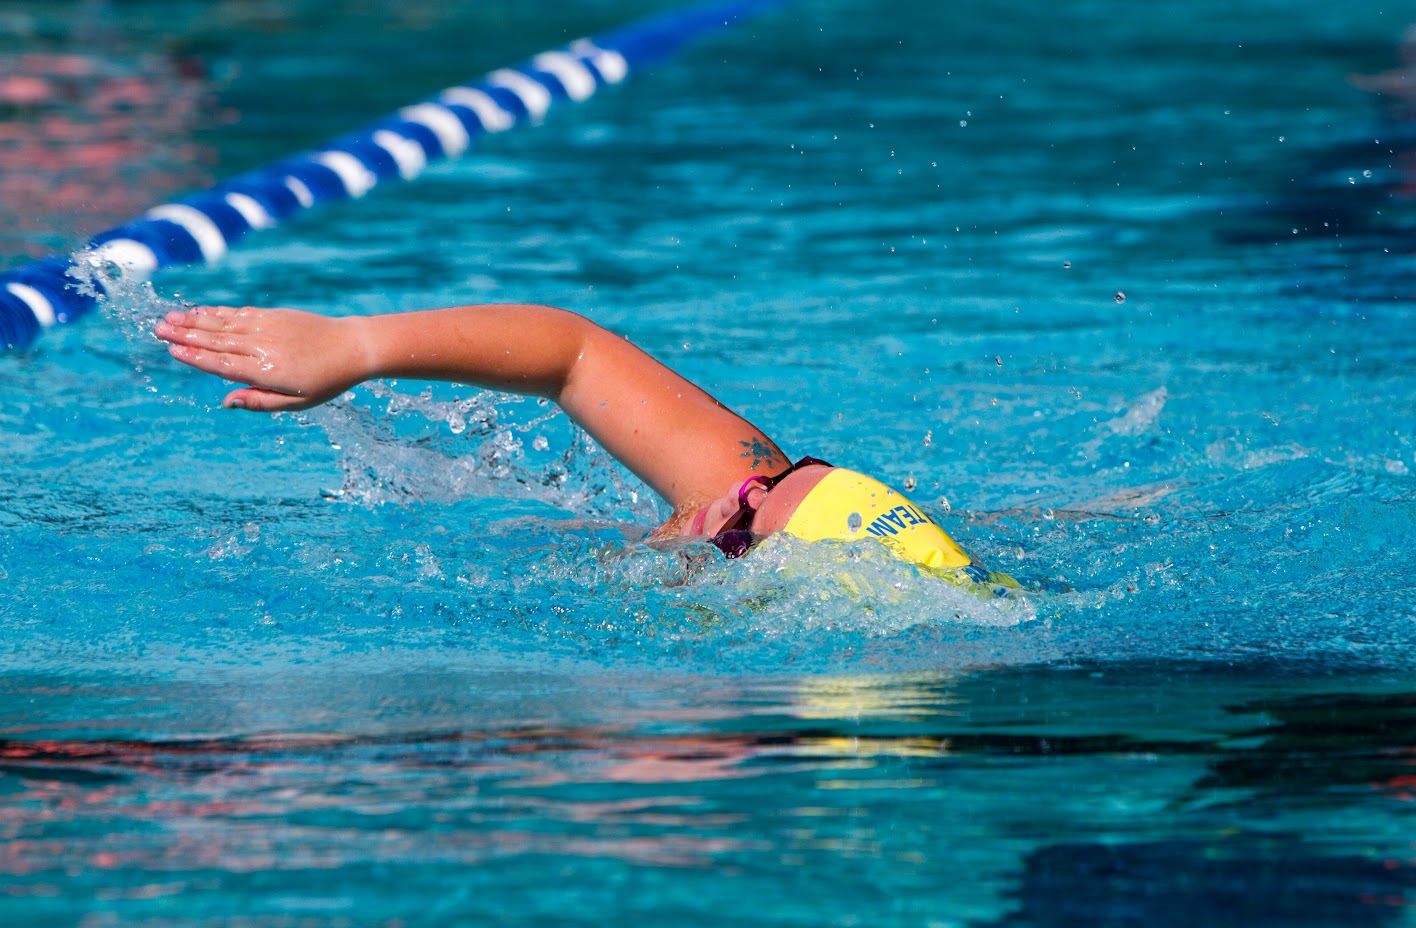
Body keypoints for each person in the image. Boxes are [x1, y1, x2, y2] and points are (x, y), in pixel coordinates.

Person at [155, 303, 1016, 587]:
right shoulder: (765, 510)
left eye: (738, 523)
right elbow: (574, 355)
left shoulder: (697, 736)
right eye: (758, 490)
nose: (732, 497)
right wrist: (356, 347)